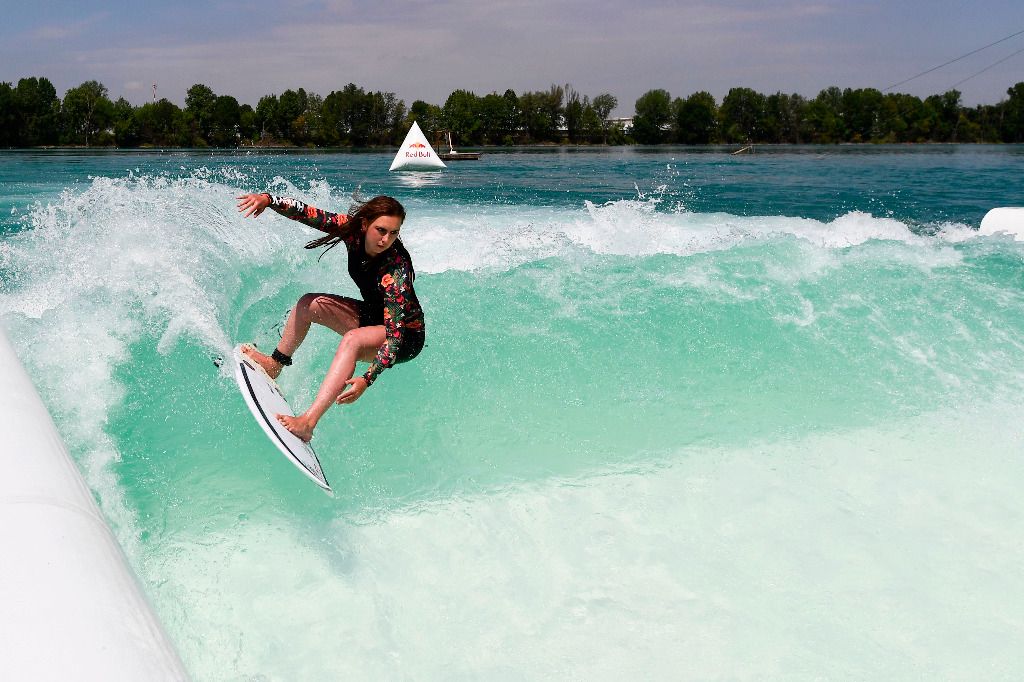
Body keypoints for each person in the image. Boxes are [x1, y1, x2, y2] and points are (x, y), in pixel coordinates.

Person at [235, 191, 425, 442]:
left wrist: (368, 378)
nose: (386, 239)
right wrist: (270, 201)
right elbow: (309, 214)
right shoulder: (351, 230)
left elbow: (395, 335)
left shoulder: (396, 270)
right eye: (381, 230)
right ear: (365, 224)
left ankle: (307, 423)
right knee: (308, 304)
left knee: (353, 341)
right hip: (374, 316)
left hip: (404, 337)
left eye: (394, 233)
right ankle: (274, 365)